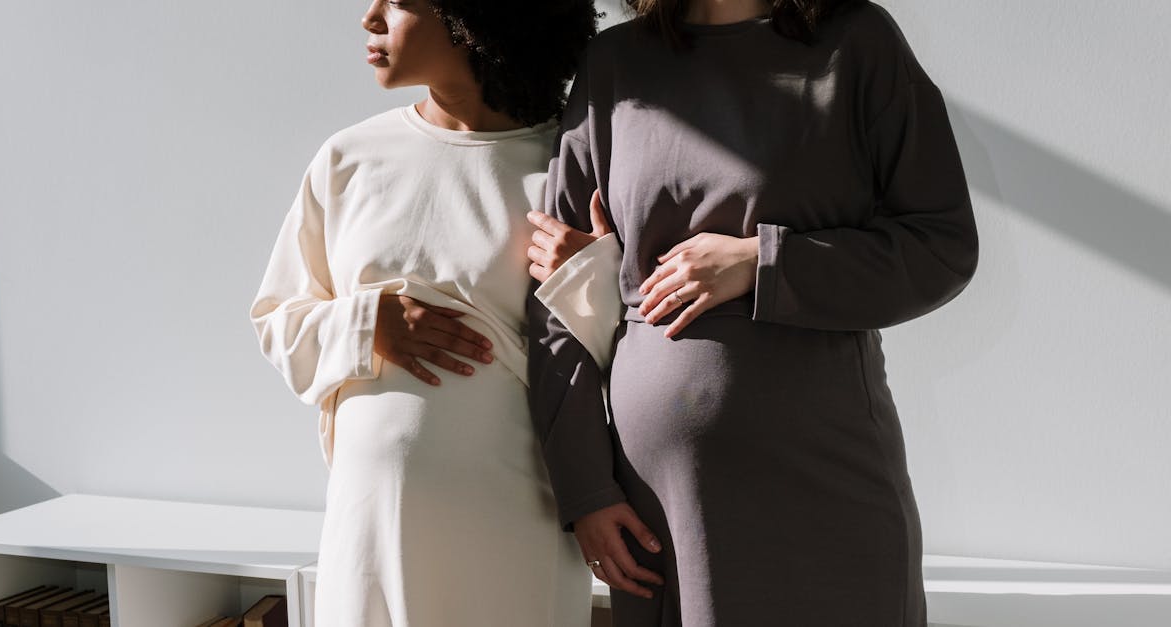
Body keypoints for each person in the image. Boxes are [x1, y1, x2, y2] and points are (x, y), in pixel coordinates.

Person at [526, 0, 980, 625]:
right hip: (659, 508)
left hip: (825, 481)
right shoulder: (613, 64)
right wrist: (586, 490)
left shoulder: (857, 44)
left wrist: (761, 262)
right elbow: (554, 301)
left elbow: (942, 246)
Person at [248, 1, 604, 624]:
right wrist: (368, 325)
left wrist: (594, 277)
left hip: (516, 523)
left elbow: (625, 356)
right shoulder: (349, 159)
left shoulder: (569, 165)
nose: (370, 18)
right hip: (368, 524)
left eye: (399, 0)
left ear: (474, 14)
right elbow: (278, 321)